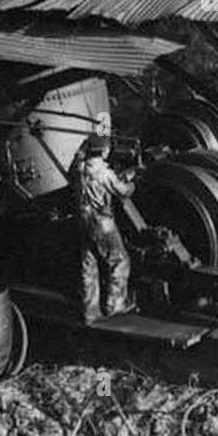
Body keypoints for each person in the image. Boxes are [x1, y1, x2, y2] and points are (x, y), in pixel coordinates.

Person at [77, 134, 137, 323]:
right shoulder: (104, 173)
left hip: (83, 220)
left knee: (89, 264)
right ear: (104, 151)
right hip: (102, 223)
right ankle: (115, 305)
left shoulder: (79, 168)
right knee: (119, 260)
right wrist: (132, 182)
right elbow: (122, 191)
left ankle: (89, 311)